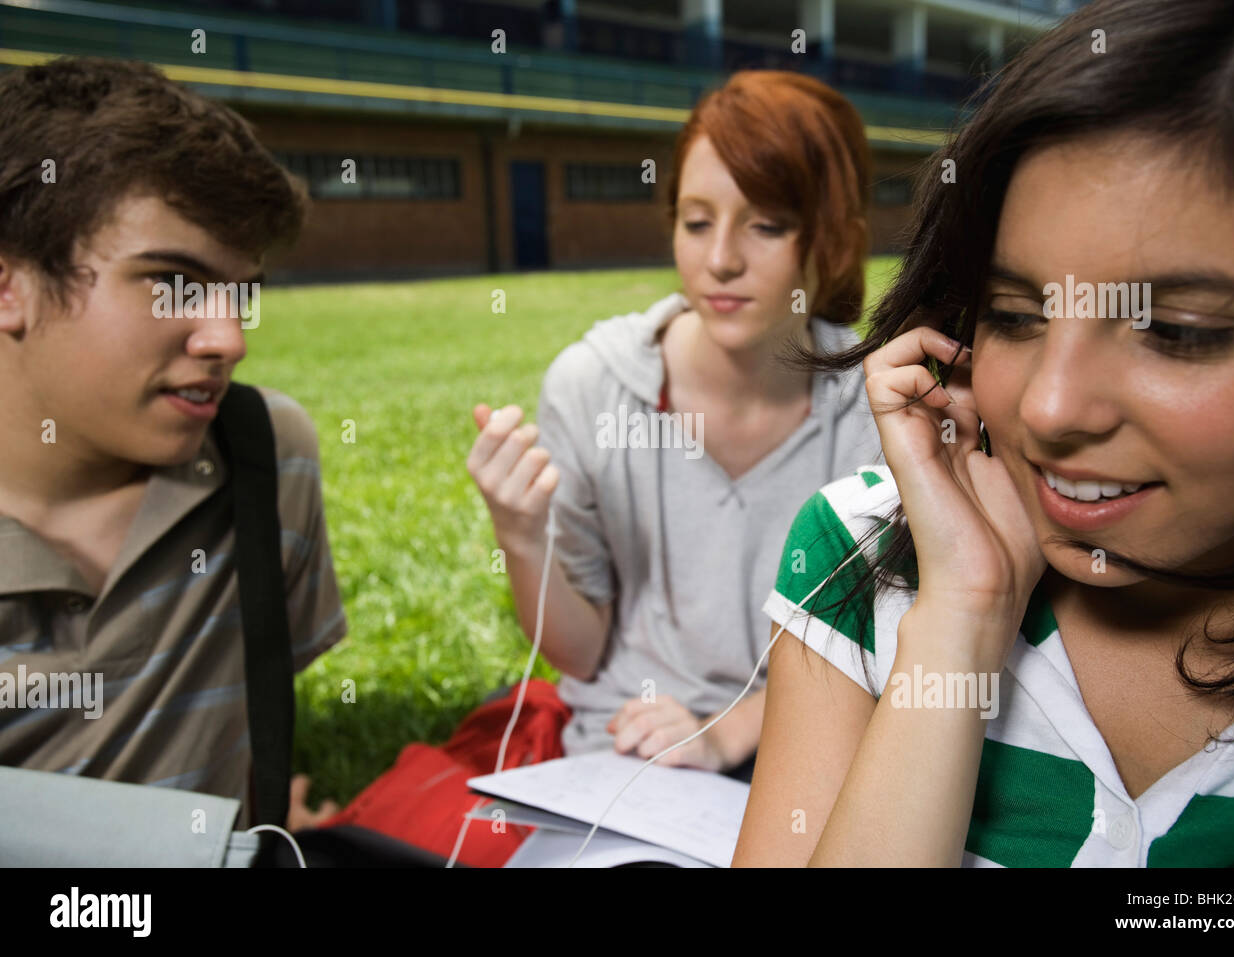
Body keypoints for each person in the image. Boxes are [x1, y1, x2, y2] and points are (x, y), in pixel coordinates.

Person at [732, 0, 1234, 867]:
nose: (1048, 407)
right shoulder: (858, 556)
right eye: (1014, 314)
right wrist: (963, 613)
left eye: (1177, 331)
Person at [321, 69, 883, 866]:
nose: (719, 260)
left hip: (812, 737)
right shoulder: (591, 383)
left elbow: (885, 651)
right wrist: (519, 533)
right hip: (628, 747)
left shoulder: (872, 406)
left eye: (765, 225)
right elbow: (578, 654)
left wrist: (730, 729)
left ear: (829, 239)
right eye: (695, 222)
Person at [0, 57, 347, 836]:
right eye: (172, 283)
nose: (230, 338)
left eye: (241, 293)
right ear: (8, 284)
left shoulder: (265, 457)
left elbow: (250, 718)